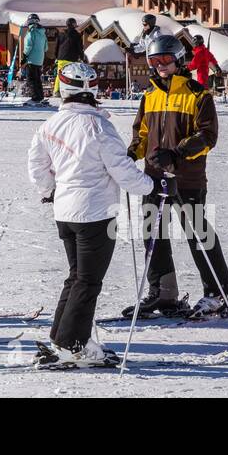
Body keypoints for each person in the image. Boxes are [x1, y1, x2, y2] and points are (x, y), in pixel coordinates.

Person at [28, 63, 158, 367]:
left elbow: (37, 165)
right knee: (88, 281)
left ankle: (63, 338)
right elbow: (122, 171)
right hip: (96, 214)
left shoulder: (50, 125)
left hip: (66, 212)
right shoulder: (99, 127)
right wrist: (152, 185)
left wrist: (49, 191)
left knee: (77, 277)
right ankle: (73, 345)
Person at [127, 34, 228, 319]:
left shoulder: (197, 94)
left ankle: (218, 292)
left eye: (166, 59)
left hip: (186, 177)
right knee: (154, 234)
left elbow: (207, 136)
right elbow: (142, 134)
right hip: (153, 176)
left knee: (197, 232)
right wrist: (130, 155)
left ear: (179, 60)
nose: (161, 65)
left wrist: (176, 154)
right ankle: (163, 292)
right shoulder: (149, 96)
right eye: (155, 60)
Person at [20, 13, 47, 105]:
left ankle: (35, 98)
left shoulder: (31, 32)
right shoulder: (43, 33)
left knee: (31, 79)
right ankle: (40, 96)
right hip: (40, 60)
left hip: (31, 59)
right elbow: (46, 47)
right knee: (37, 79)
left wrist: (24, 56)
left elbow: (28, 46)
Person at [53, 17, 83, 96]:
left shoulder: (61, 34)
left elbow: (57, 46)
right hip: (72, 59)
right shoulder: (77, 35)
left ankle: (57, 91)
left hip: (61, 58)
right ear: (74, 25)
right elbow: (80, 48)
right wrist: (82, 57)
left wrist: (56, 56)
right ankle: (69, 91)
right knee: (71, 75)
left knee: (59, 74)